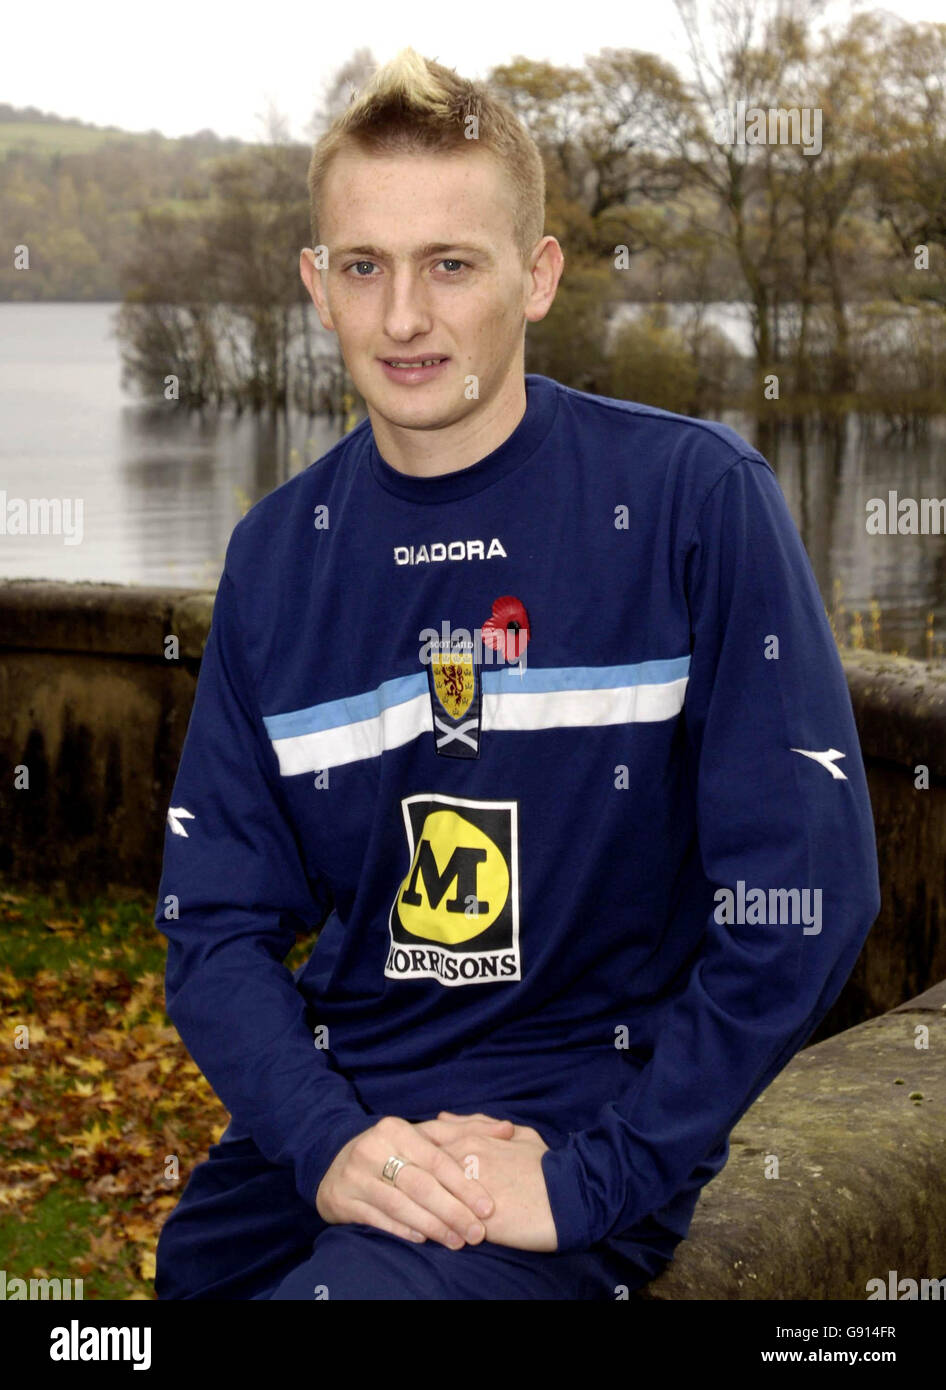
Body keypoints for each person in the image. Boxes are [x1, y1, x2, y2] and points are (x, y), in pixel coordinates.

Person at [152, 47, 881, 1301]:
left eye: (451, 264)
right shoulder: (280, 553)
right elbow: (214, 923)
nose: (402, 318)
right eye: (363, 266)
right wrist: (328, 1140)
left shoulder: (691, 502)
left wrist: (606, 1172)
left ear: (535, 277)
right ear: (315, 285)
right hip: (346, 1112)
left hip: (568, 1133)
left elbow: (805, 896)